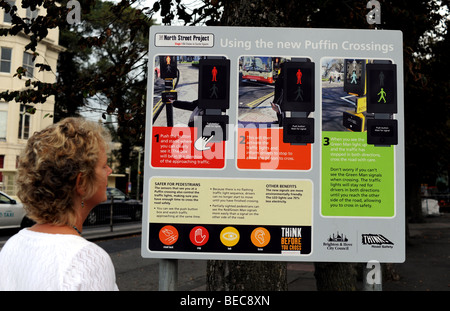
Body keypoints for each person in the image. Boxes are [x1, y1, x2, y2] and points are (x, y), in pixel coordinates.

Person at [0, 117, 118, 291]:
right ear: (82, 183)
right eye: (104, 166)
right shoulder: (87, 258)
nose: (110, 171)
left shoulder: (13, 245)